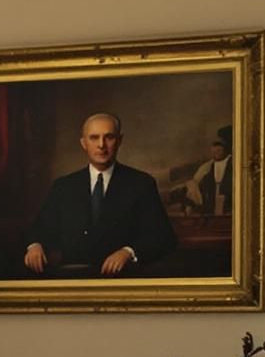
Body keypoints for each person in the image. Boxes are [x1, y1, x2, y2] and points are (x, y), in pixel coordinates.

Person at [23, 111, 177, 278]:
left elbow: (164, 238)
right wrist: (34, 245)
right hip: (73, 280)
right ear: (84, 143)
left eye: (109, 137)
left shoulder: (141, 183)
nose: (101, 145)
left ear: (120, 141)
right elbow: (39, 229)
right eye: (94, 138)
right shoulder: (64, 186)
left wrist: (128, 252)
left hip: (122, 280)